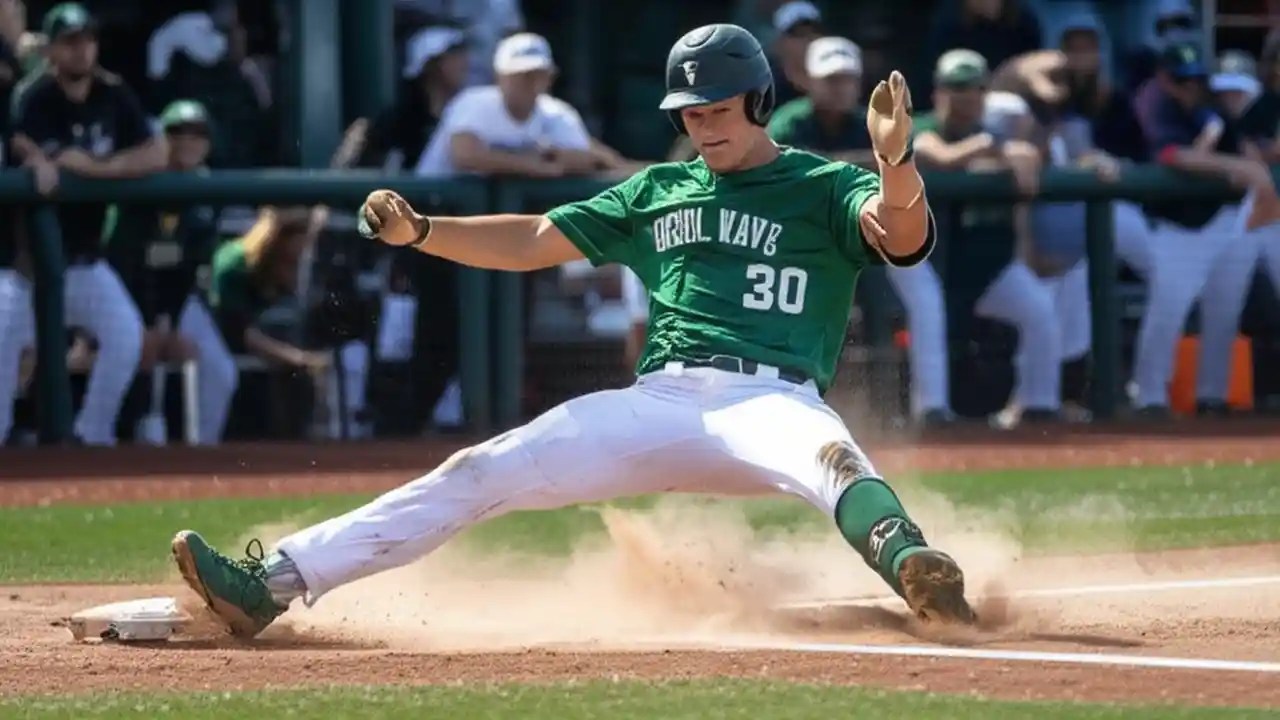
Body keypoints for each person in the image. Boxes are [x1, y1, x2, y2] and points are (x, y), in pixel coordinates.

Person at [170, 23, 978, 639]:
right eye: (690, 113)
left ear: (760, 102)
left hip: (774, 401)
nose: (703, 125)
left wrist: (895, 160)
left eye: (720, 110)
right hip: (660, 398)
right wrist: (424, 231)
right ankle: (270, 585)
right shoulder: (657, 189)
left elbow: (900, 237)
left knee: (835, 461)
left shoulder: (821, 183)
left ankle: (914, 568)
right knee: (478, 468)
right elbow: (532, 239)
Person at [8, 2, 165, 445]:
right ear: (53, 48)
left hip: (84, 261)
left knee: (125, 336)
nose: (81, 51)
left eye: (88, 40)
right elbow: (20, 141)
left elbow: (157, 153)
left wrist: (94, 167)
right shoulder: (34, 96)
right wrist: (36, 158)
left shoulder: (113, 94)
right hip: (25, 269)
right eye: (71, 42)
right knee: (2, 358)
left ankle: (91, 437)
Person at [909, 49, 1063, 425]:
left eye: (975, 88)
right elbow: (939, 156)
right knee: (928, 314)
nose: (966, 96)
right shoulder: (922, 127)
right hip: (926, 261)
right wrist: (998, 150)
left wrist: (1018, 153)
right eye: (957, 87)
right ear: (939, 92)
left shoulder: (994, 135)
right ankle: (932, 412)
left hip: (987, 267)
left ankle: (1038, 406)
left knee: (1040, 311)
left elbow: (1028, 175)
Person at [1131, 41, 1280, 417]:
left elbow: (1245, 149)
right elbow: (1170, 155)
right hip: (1175, 223)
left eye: (1195, 80)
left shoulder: (1209, 102)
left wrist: (1244, 157)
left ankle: (1212, 395)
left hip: (1223, 219)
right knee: (1169, 306)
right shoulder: (1155, 101)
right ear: (1164, 79)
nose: (1190, 88)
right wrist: (1234, 167)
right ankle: (1149, 396)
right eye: (1182, 81)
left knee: (1224, 309)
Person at [414, 32, 629, 178]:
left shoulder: (556, 112)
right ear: (499, 77)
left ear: (550, 77)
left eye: (538, 75)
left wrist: (553, 161)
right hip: (429, 208)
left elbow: (585, 158)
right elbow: (465, 155)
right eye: (521, 75)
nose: (531, 82)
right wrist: (535, 165)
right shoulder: (474, 102)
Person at [362, 25, 469, 172]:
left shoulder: (466, 115)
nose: (463, 62)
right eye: (453, 55)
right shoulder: (397, 123)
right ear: (430, 65)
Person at [766, 35, 875, 164]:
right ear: (809, 81)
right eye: (832, 80)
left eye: (848, 80)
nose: (841, 89)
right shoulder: (787, 125)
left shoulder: (872, 125)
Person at [768, 1, 823, 108]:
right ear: (779, 43)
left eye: (813, 33)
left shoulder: (834, 82)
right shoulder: (766, 89)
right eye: (799, 35)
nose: (808, 40)